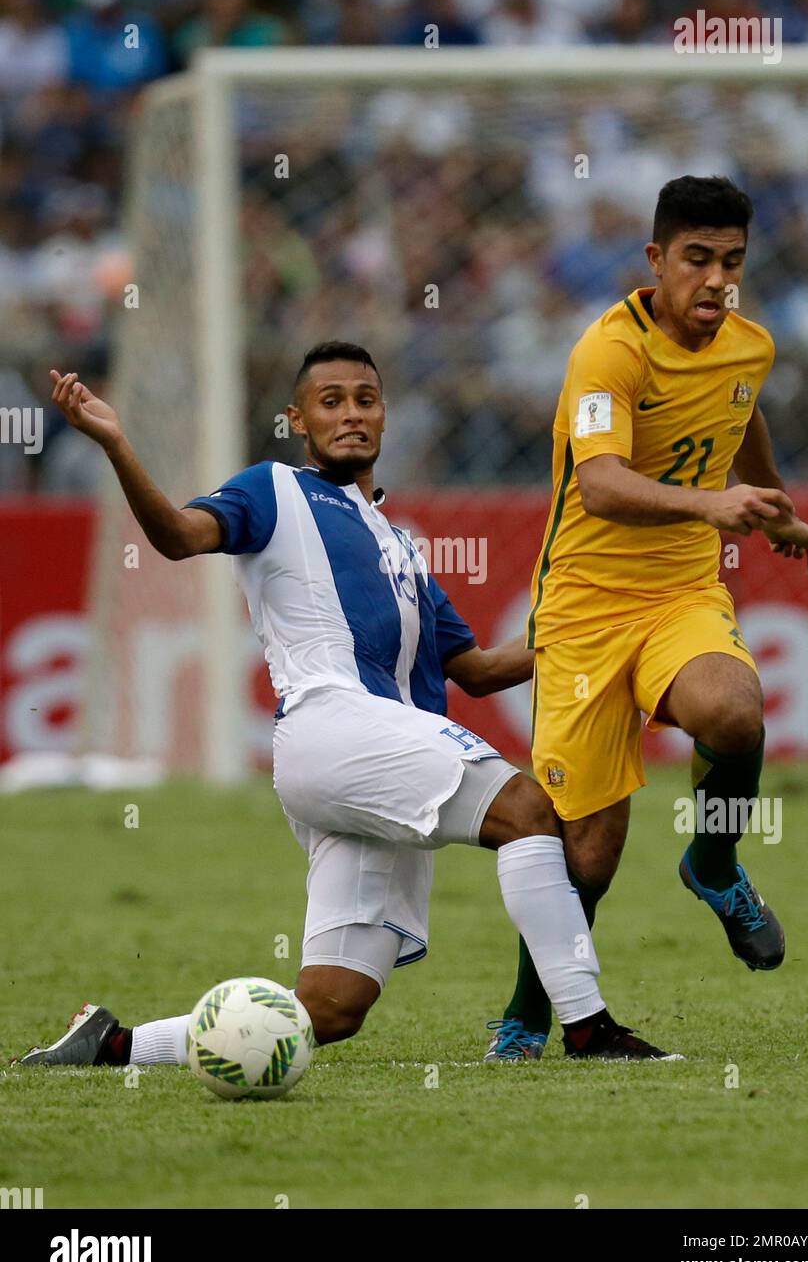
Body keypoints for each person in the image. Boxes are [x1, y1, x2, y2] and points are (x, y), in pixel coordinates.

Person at [17, 341, 682, 1075]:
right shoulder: (273, 489)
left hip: (365, 765)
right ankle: (588, 1027)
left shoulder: (401, 548)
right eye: (330, 401)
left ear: (385, 416)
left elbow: (483, 671)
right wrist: (115, 443)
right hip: (333, 728)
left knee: (331, 1009)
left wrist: (602, 635)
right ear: (297, 419)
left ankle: (113, 1045)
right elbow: (176, 538)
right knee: (526, 810)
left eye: (365, 398)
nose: (351, 413)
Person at [486, 176, 808, 1063]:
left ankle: (713, 867)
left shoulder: (749, 347)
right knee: (586, 853)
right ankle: (529, 1016)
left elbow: (740, 420)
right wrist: (708, 508)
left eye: (732, 263)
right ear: (656, 260)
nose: (715, 281)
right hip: (586, 611)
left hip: (681, 596)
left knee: (735, 711)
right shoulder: (608, 353)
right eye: (697, 260)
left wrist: (777, 509)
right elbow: (599, 485)